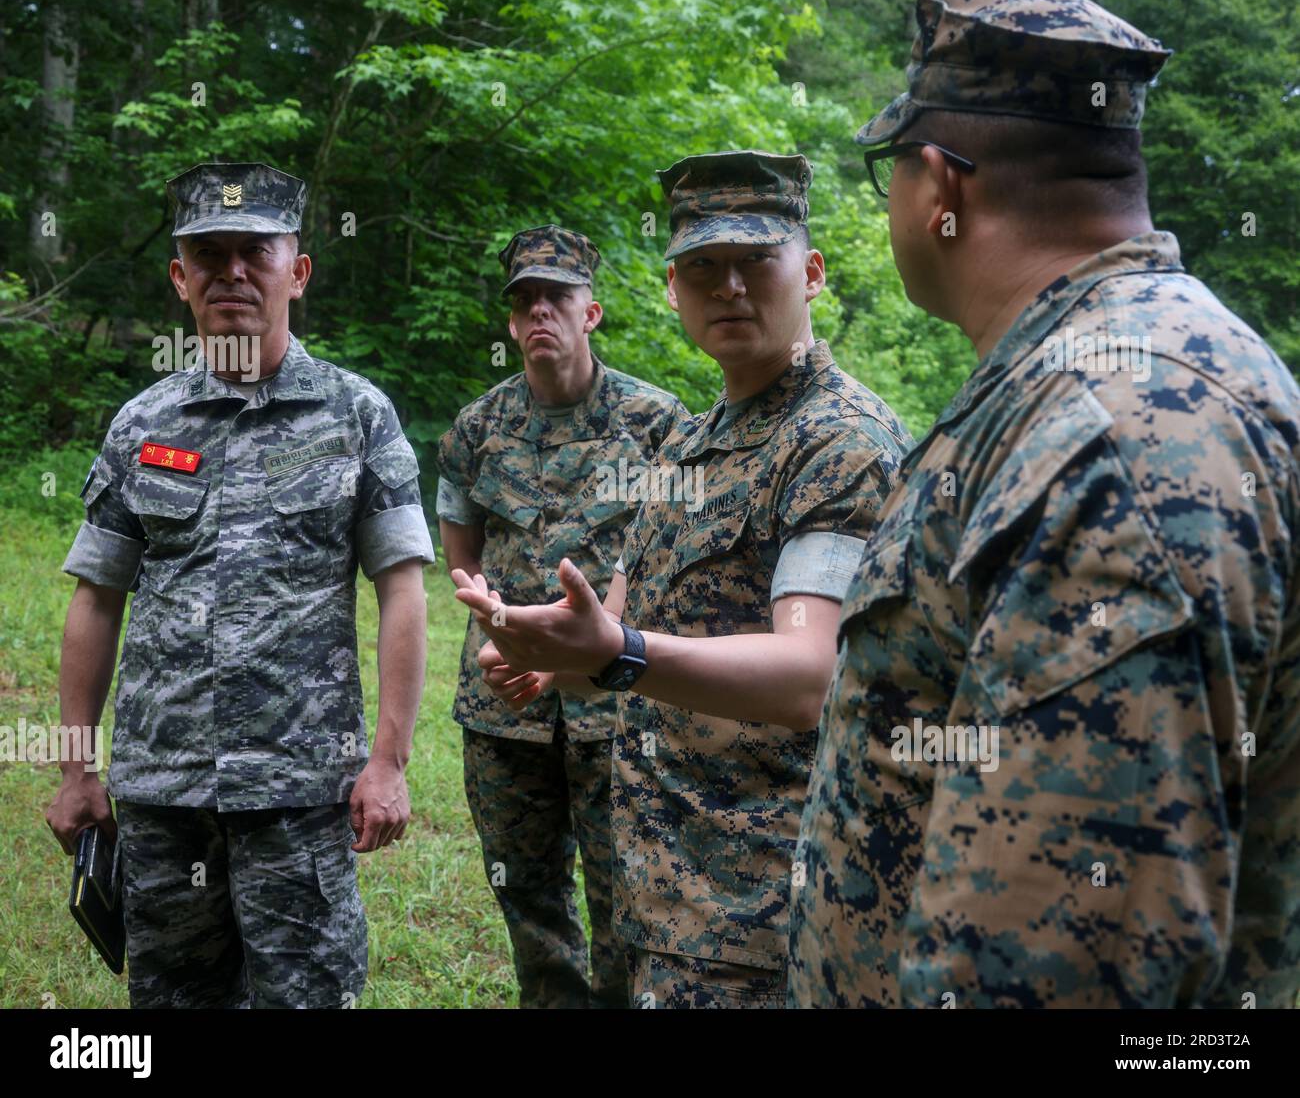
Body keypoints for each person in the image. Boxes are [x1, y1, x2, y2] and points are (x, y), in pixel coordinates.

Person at [790, 0, 1300, 1008]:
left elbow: (1066, 963)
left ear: (940, 184)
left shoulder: (1111, 428)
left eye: (887, 167)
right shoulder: (1105, 372)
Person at [454, 152, 912, 1007]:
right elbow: (631, 607)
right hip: (668, 891)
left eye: (755, 262)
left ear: (810, 273)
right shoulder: (687, 443)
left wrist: (616, 650)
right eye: (703, 267)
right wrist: (552, 651)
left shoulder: (837, 442)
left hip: (768, 909)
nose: (729, 286)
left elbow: (810, 675)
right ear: (672, 289)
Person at [46, 162, 436, 1008]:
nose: (232, 272)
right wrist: (78, 765)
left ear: (297, 270)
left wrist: (390, 762)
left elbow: (402, 590)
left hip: (299, 792)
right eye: (208, 253)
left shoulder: (356, 415)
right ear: (179, 277)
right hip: (162, 793)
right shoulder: (142, 424)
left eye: (254, 250)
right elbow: (96, 598)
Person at [436, 224, 687, 1008]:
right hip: (503, 701)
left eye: (557, 297)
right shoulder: (474, 430)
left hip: (617, 702)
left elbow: (659, 563)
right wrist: (503, 636)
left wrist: (574, 657)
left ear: (593, 313)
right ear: (511, 323)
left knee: (626, 900)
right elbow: (464, 559)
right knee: (529, 895)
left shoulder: (657, 424)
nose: (539, 311)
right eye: (524, 301)